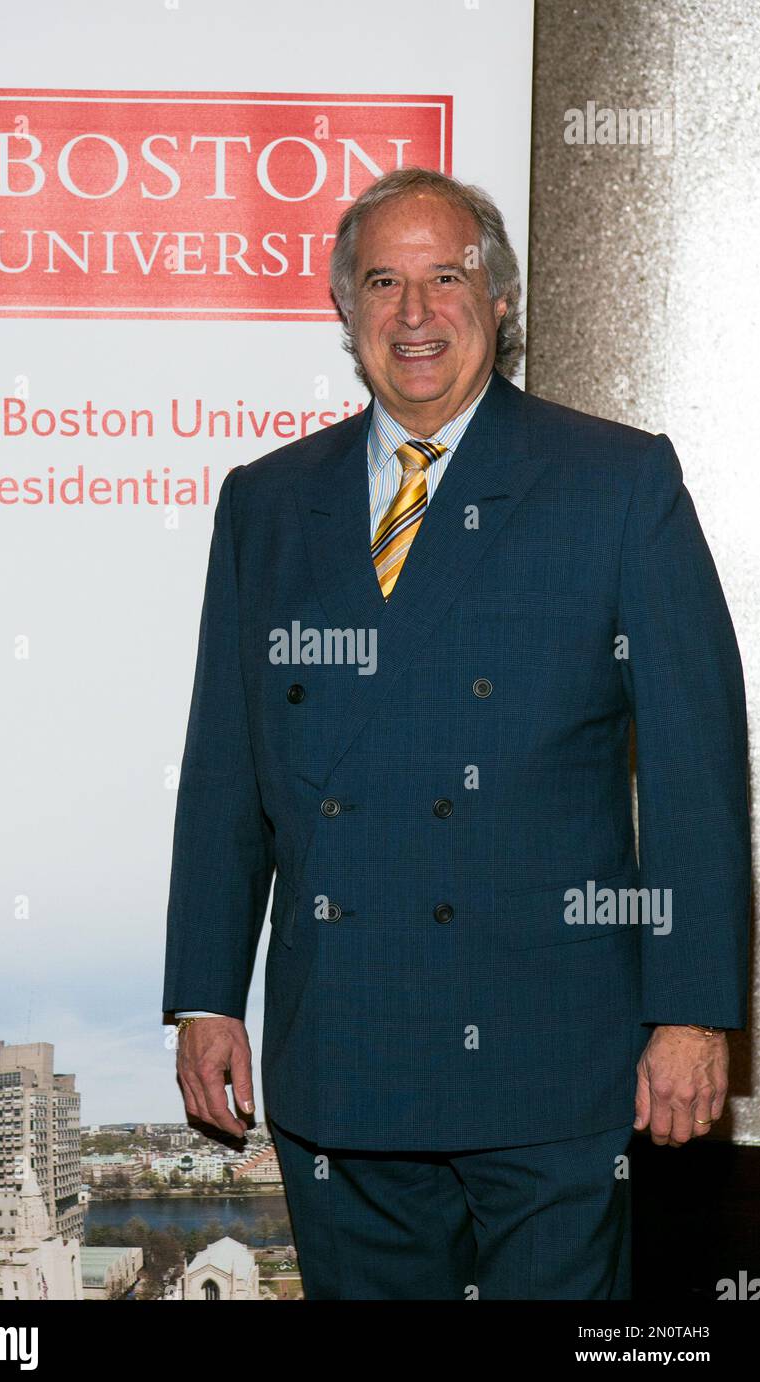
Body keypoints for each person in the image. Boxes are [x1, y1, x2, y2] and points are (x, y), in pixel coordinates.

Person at [162, 167, 750, 1300]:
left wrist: (692, 1011)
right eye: (384, 281)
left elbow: (696, 774)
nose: (417, 314)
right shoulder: (268, 503)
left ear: (500, 301)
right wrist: (204, 994)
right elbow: (226, 770)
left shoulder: (619, 483)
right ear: (346, 310)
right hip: (345, 1052)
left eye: (448, 277)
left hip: (554, 1059)